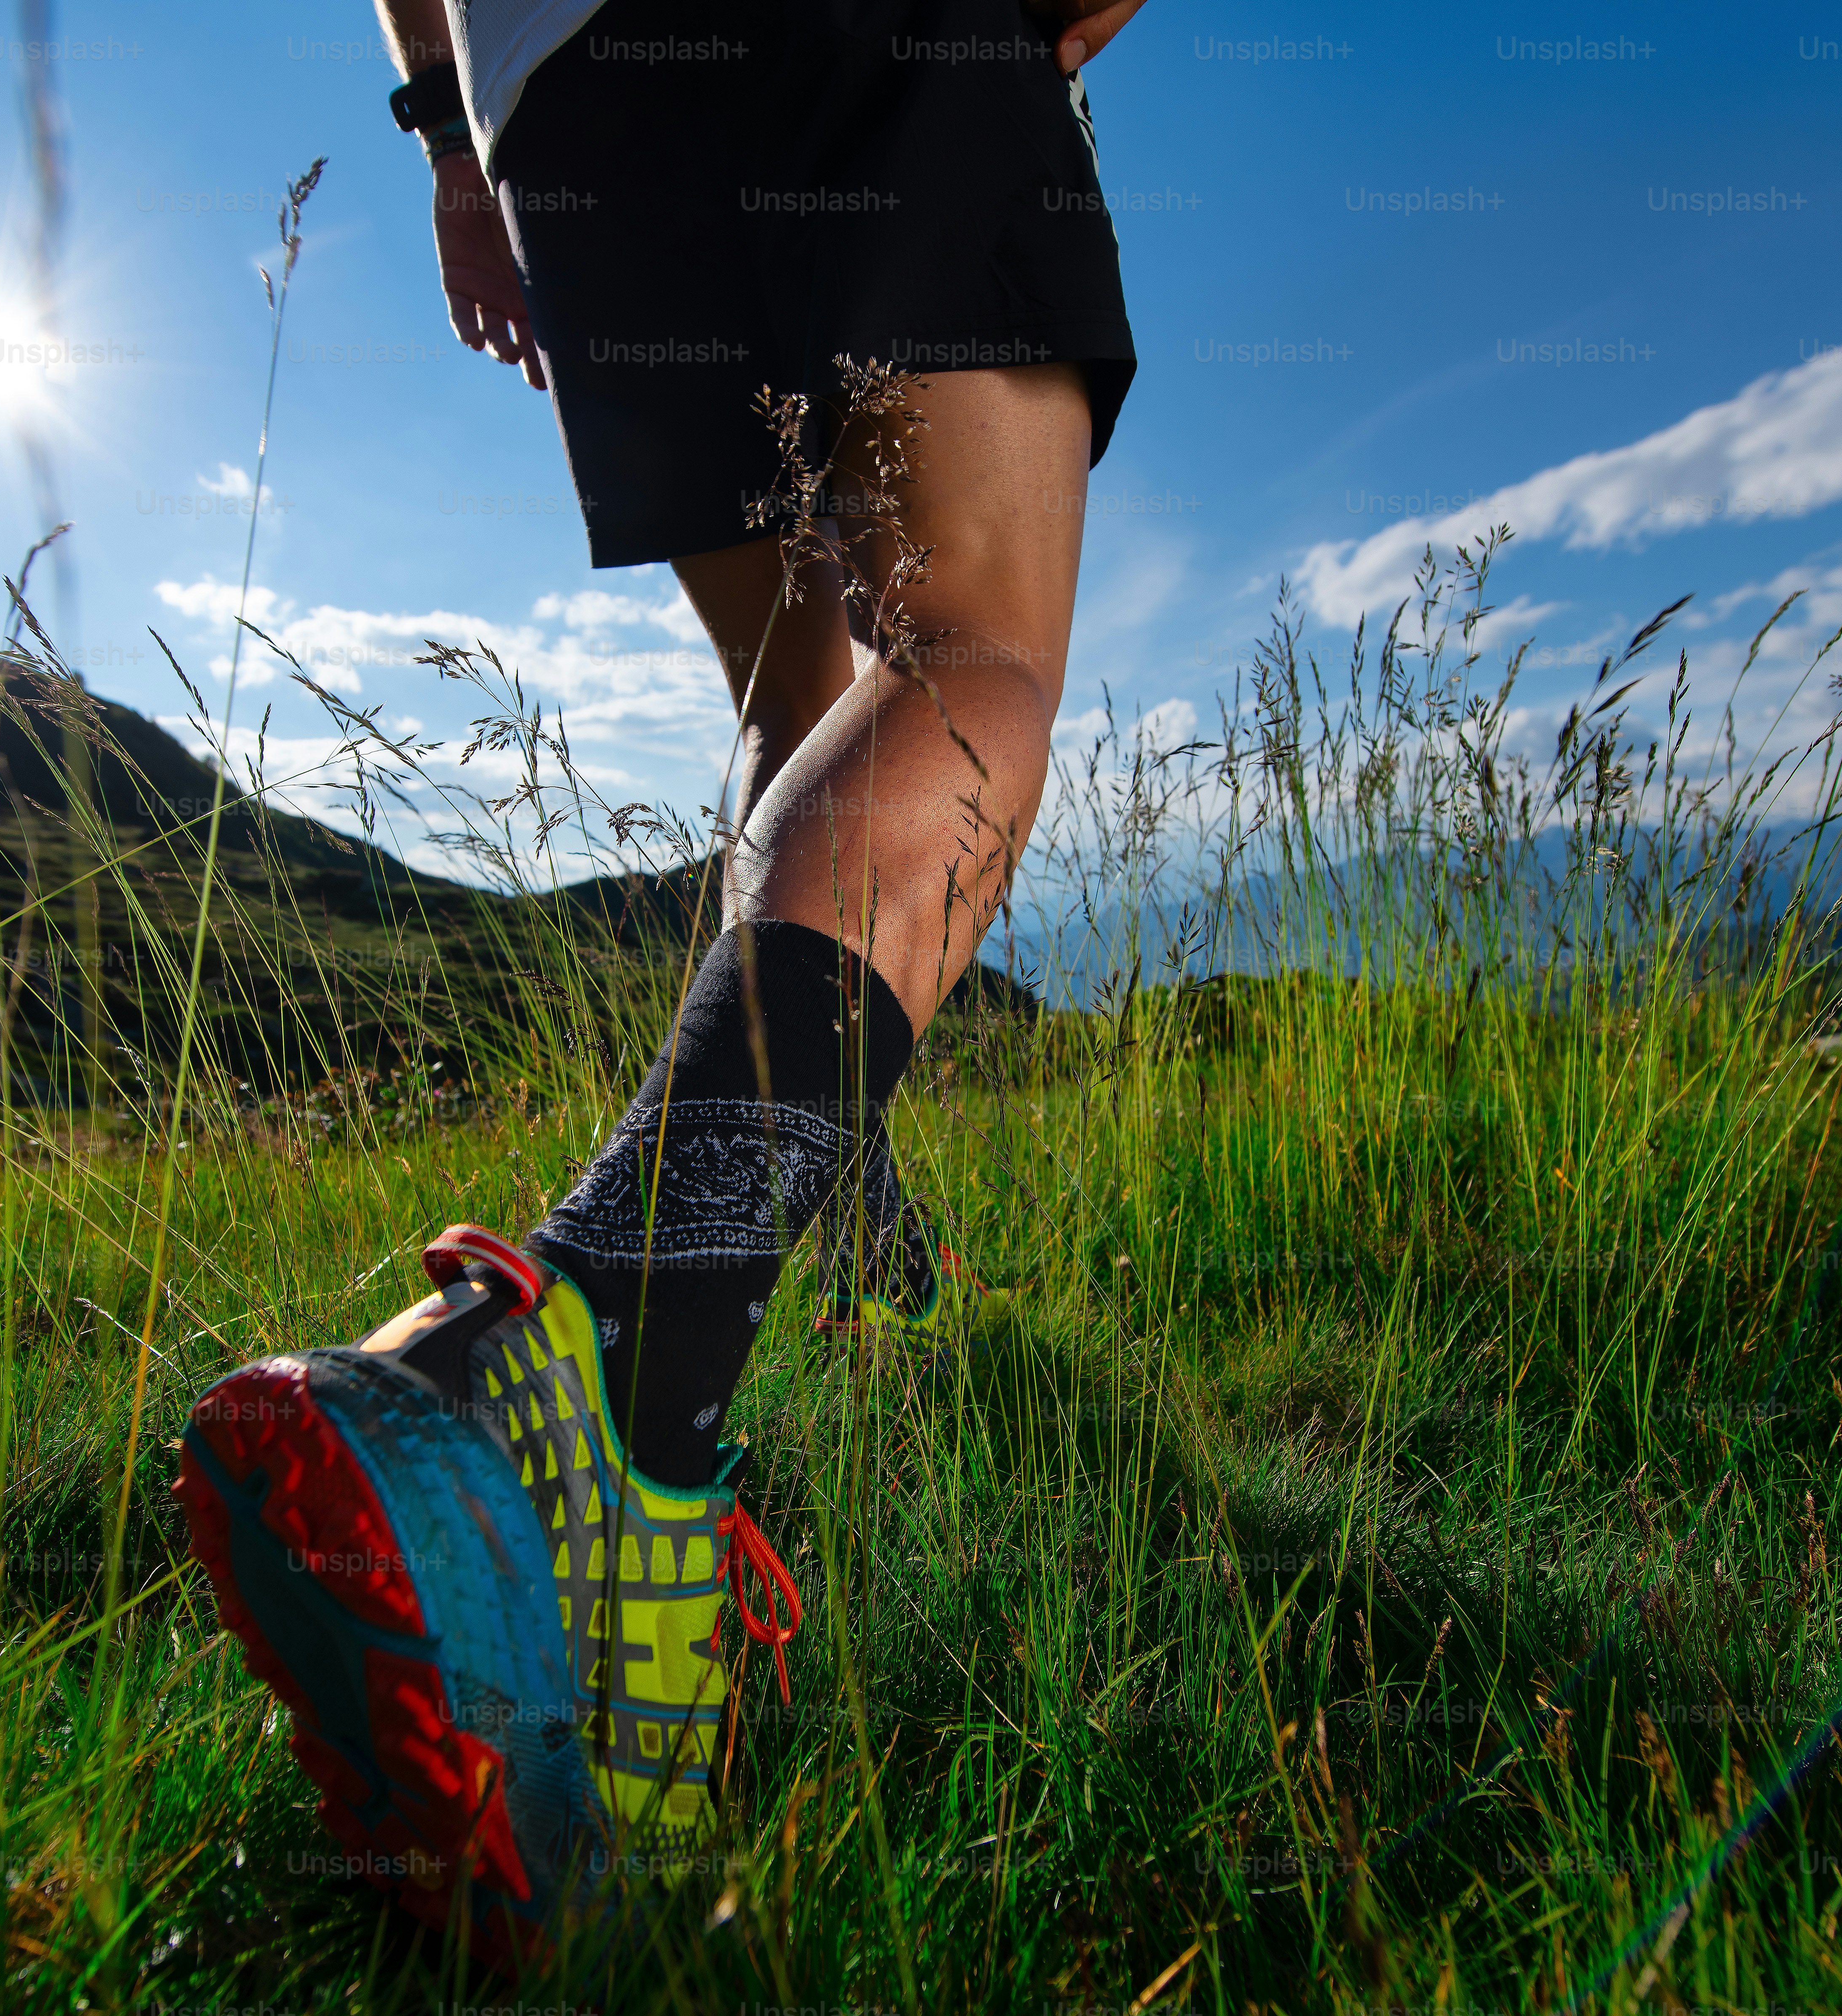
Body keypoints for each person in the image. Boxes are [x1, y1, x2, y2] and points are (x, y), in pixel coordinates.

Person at [173, 0, 1145, 1960]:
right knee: (967, 651)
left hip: (568, 100)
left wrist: (451, 149)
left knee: (799, 697)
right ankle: (611, 1339)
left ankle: (765, 1285)